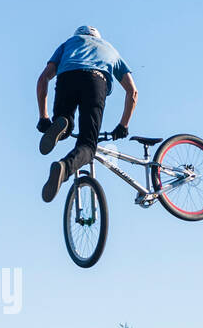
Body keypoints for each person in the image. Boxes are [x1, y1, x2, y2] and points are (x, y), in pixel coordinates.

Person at [35, 26, 139, 202]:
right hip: (95, 81)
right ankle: (64, 167)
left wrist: (43, 117)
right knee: (87, 145)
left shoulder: (68, 44)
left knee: (64, 121)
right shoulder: (109, 48)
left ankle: (63, 123)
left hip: (67, 78)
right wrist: (123, 125)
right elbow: (133, 92)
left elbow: (43, 78)